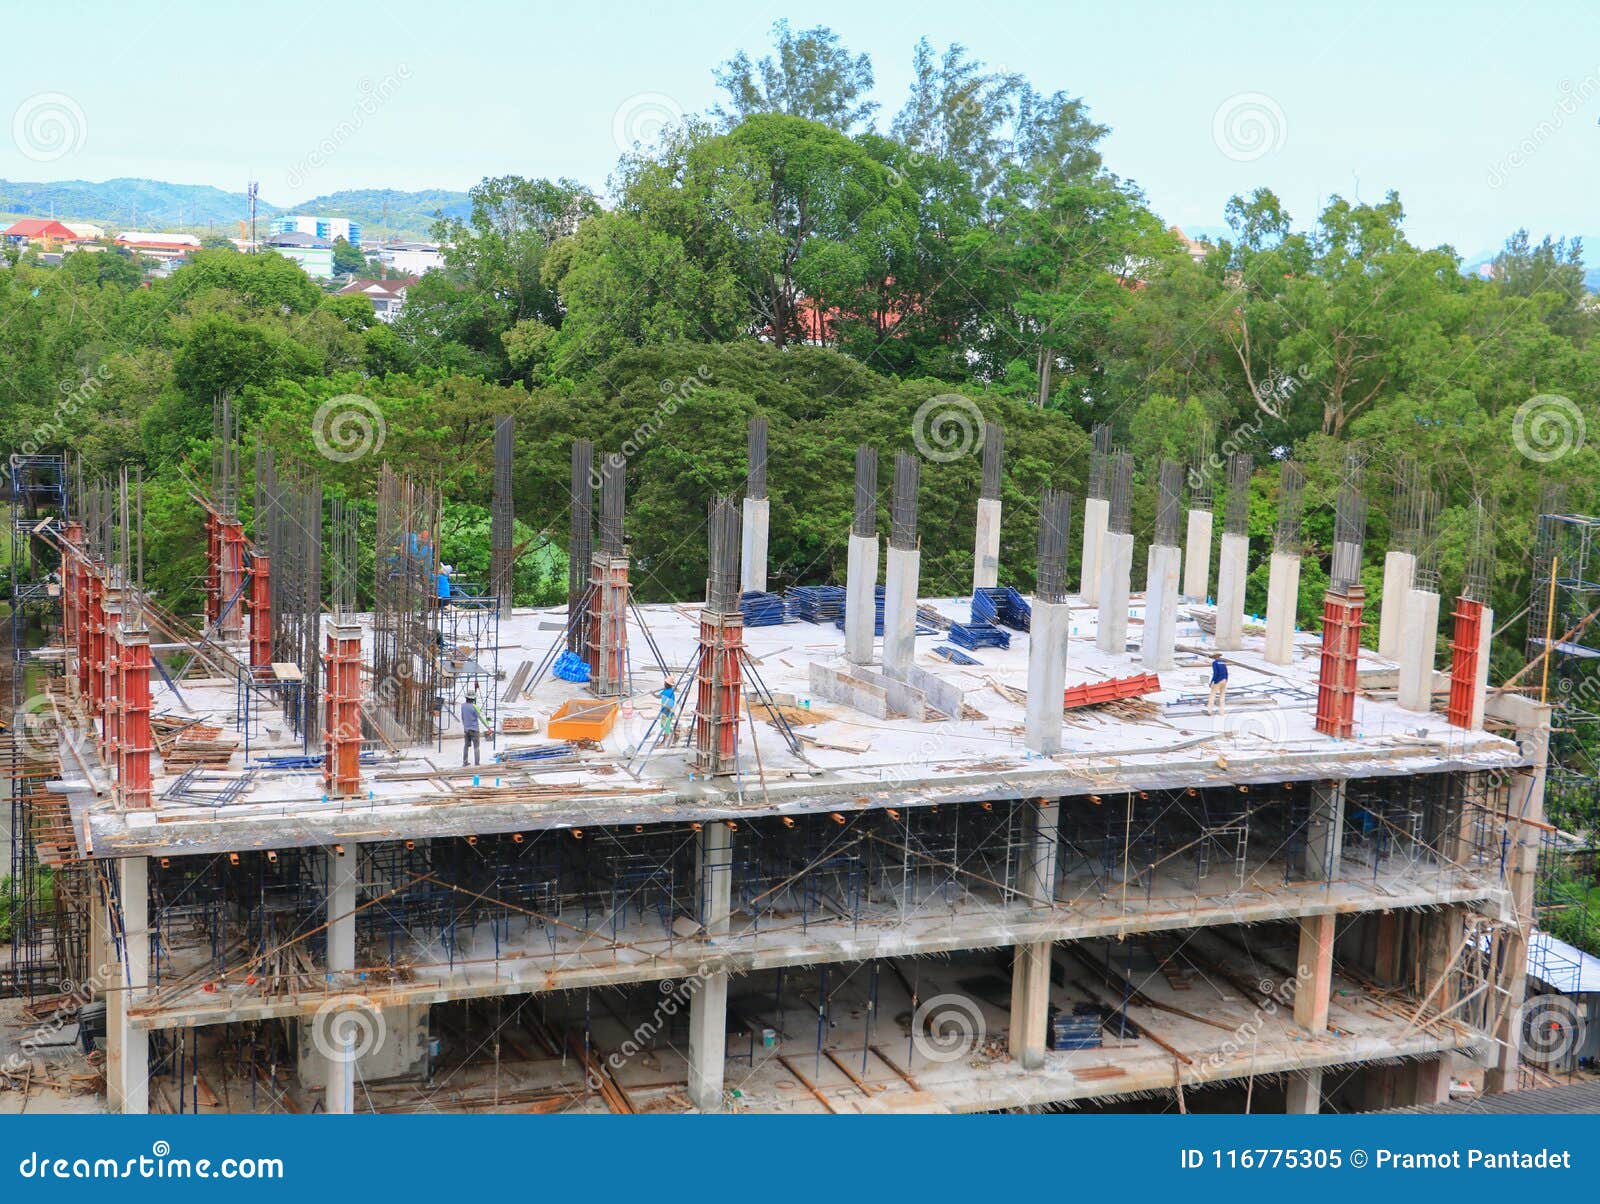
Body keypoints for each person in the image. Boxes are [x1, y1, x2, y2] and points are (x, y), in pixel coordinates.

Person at [461, 687, 490, 766]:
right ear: (473, 699)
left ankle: (465, 762)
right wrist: (488, 727)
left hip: (466, 729)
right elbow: (482, 718)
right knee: (476, 747)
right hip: (474, 730)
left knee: (466, 746)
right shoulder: (475, 707)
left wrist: (465, 727)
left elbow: (463, 717)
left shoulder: (463, 706)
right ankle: (477, 763)